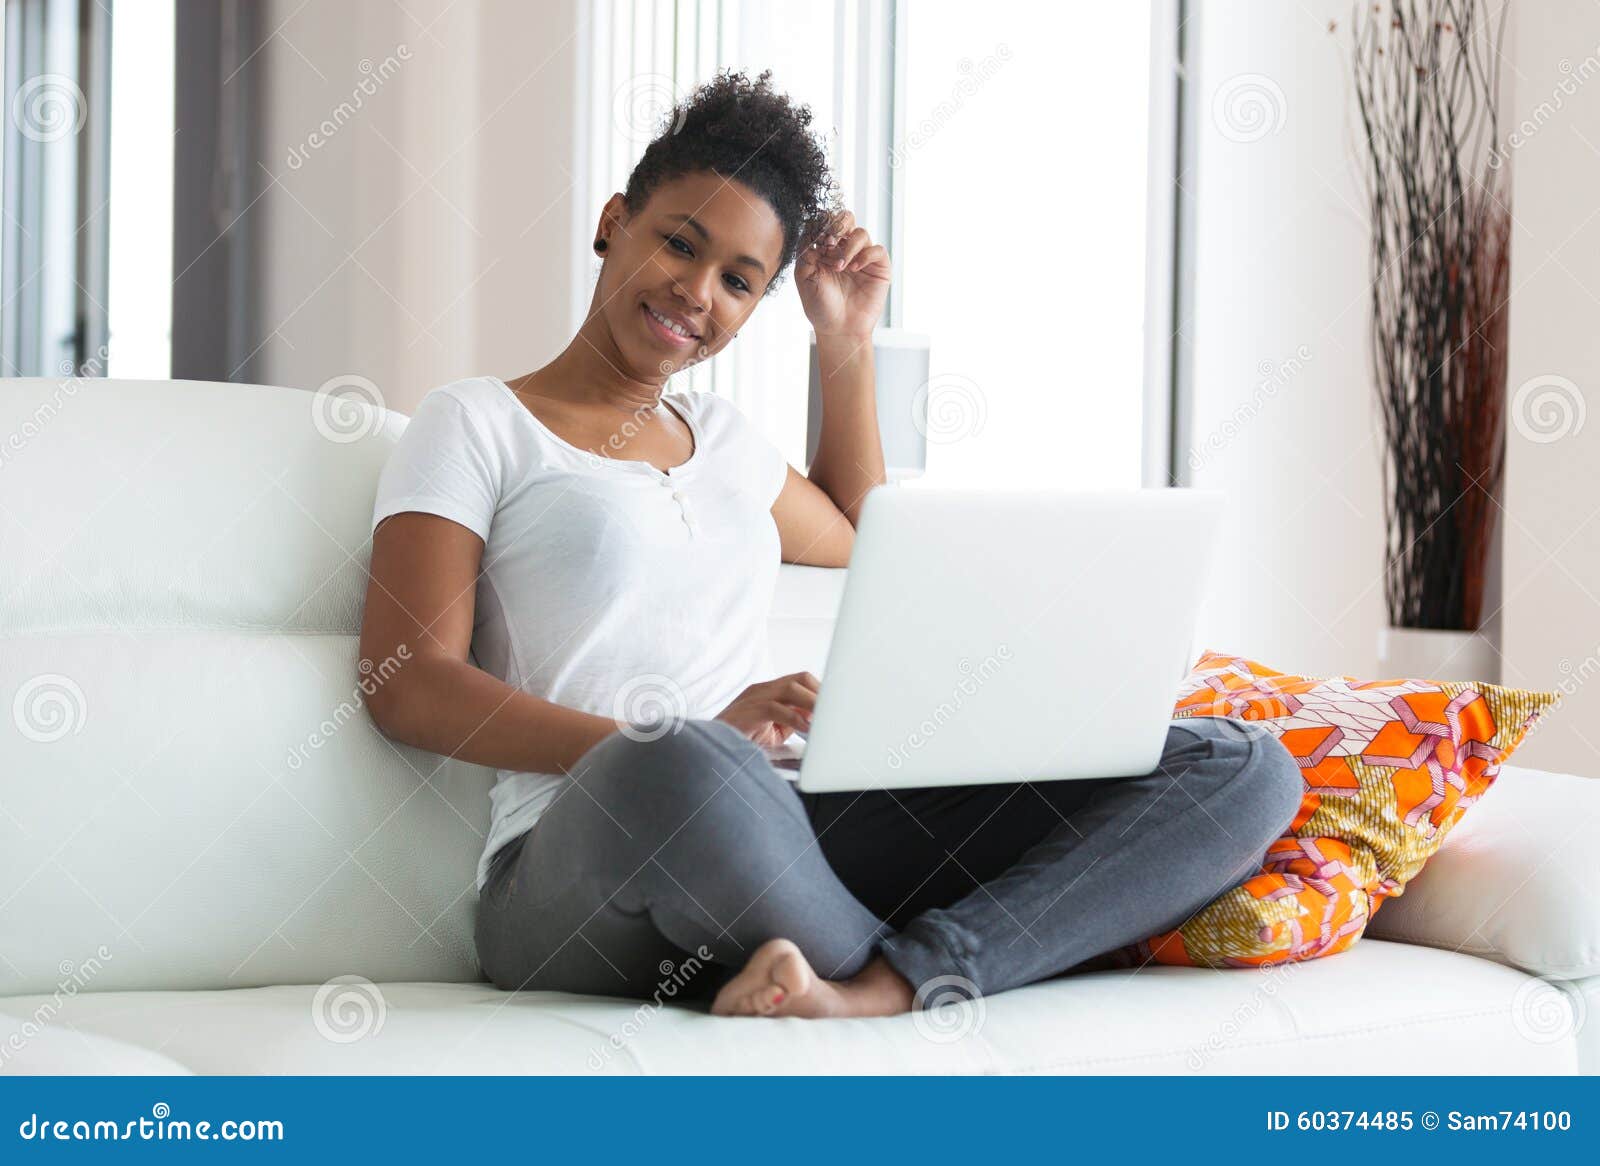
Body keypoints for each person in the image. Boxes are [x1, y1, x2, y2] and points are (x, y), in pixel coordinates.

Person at [358, 68, 1302, 1020]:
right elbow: (404, 681)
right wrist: (672, 739)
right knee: (680, 767)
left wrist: (842, 338)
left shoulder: (726, 442)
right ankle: (876, 973)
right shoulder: (477, 424)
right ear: (613, 221)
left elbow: (863, 541)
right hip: (581, 858)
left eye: (738, 280)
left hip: (783, 821)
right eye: (678, 245)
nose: (696, 291)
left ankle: (887, 984)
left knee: (1244, 766)